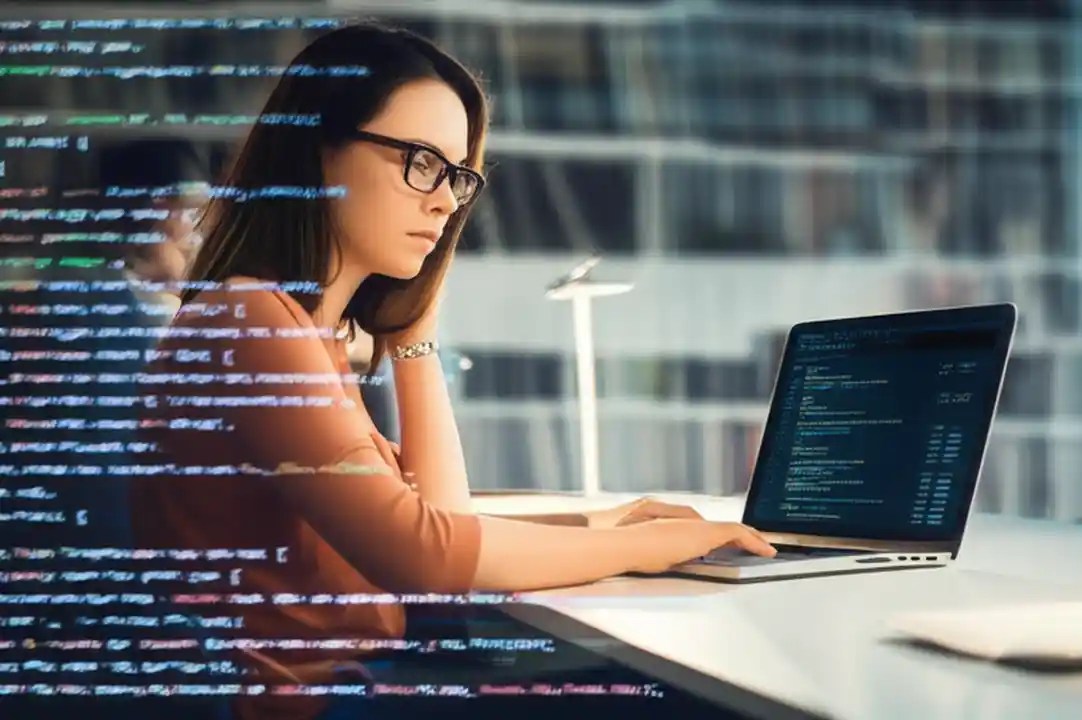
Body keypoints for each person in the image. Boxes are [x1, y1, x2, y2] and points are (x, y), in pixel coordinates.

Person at [128, 21, 775, 720]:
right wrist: (650, 543)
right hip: (323, 701)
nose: (444, 200)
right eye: (419, 161)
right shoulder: (250, 323)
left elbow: (435, 517)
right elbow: (426, 557)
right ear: (318, 151)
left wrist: (413, 336)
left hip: (359, 684)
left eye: (458, 175)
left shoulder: (298, 332)